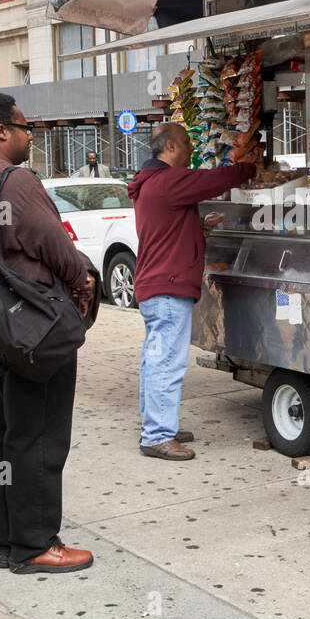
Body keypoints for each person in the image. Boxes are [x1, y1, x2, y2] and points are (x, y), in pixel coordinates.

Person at [0, 93, 99, 574]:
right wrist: (83, 278)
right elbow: (54, 245)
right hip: (32, 331)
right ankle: (36, 544)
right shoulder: (15, 179)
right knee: (38, 435)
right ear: (0, 131)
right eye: (23, 125)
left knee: (1, 435)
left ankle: (7, 538)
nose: (29, 133)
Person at [126, 122, 256, 460]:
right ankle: (158, 435)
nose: (191, 150)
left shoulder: (151, 184)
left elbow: (169, 234)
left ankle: (156, 423)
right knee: (166, 363)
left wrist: (199, 230)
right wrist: (253, 165)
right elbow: (215, 180)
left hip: (156, 283)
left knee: (154, 360)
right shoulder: (168, 181)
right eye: (186, 143)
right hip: (167, 287)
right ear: (169, 147)